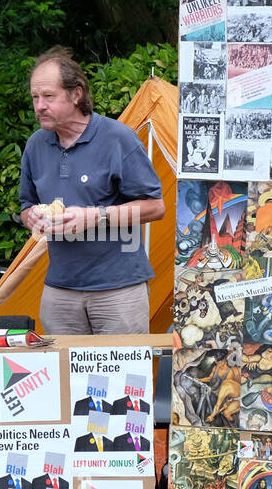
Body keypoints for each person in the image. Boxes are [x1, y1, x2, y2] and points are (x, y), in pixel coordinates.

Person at [18, 47, 165, 334]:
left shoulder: (118, 139)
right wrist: (32, 217)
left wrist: (95, 216)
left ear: (76, 94)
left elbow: (155, 206)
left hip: (119, 290)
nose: (39, 106)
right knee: (63, 378)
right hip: (59, 291)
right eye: (35, 97)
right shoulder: (36, 145)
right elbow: (26, 207)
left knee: (122, 377)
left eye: (49, 96)